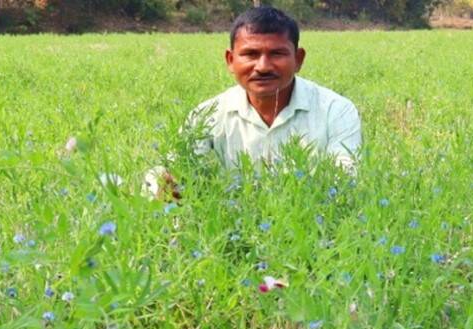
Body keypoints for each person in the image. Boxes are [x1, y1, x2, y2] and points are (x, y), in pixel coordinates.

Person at [144, 6, 362, 199]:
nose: (263, 66)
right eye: (250, 54)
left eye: (277, 53)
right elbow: (172, 169)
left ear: (299, 59)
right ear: (230, 60)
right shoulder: (208, 115)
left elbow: (344, 182)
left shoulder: (335, 110)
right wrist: (165, 183)